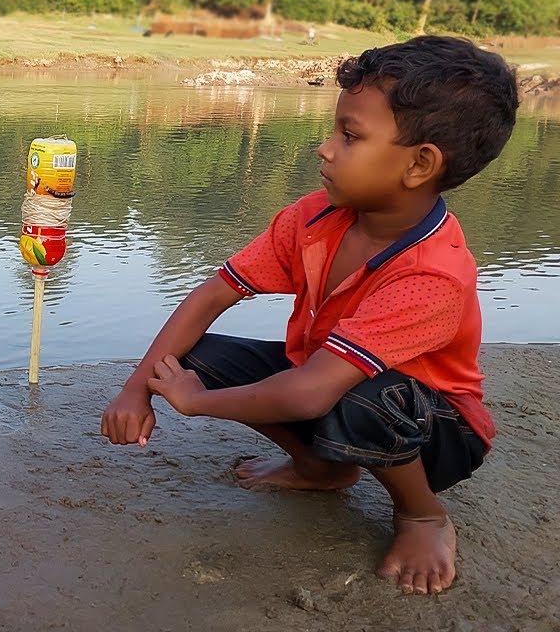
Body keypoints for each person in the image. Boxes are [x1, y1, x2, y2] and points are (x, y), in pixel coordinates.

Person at [101, 36, 519, 595]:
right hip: (332, 382)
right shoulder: (315, 217)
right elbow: (212, 294)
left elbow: (309, 395)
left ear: (420, 164)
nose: (324, 149)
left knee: (361, 397)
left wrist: (197, 402)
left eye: (349, 136)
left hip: (433, 428)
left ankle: (421, 513)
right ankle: (323, 468)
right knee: (192, 356)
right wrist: (138, 390)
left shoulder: (432, 274)